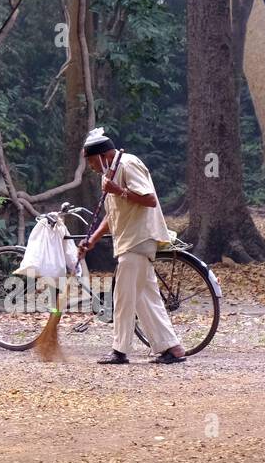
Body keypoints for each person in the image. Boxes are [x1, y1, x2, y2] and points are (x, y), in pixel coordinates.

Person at [79, 128, 186, 364]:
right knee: (145, 297)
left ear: (103, 155)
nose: (91, 167)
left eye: (91, 161)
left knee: (123, 296)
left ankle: (120, 350)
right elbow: (111, 213)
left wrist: (119, 190)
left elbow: (149, 199)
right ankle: (172, 348)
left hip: (139, 239)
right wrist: (93, 239)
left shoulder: (128, 164)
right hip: (127, 240)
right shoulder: (108, 174)